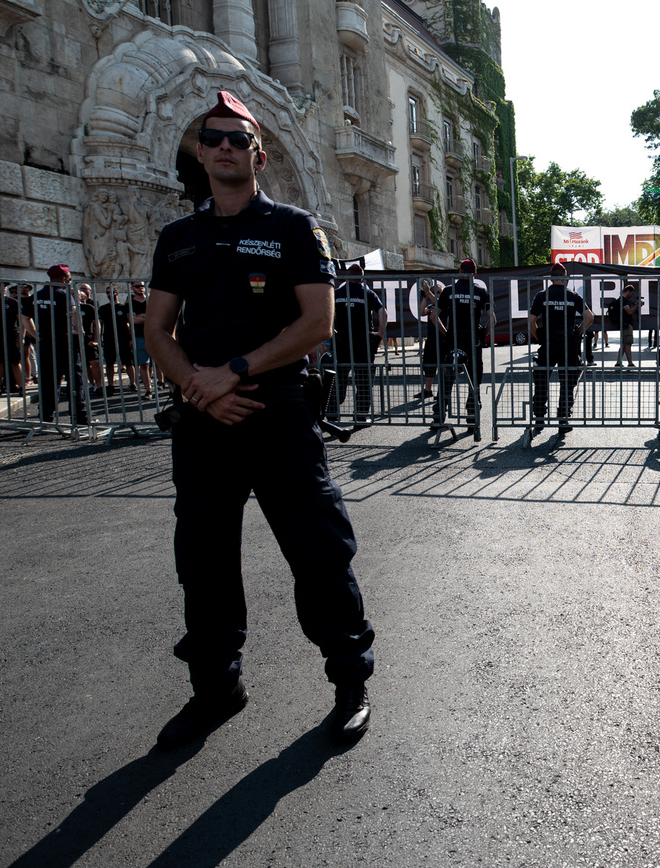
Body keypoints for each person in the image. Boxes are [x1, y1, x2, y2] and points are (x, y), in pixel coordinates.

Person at [145, 90, 374, 748]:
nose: (223, 146)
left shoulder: (294, 229)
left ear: (258, 155)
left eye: (236, 139)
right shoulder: (178, 239)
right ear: (199, 151)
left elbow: (317, 322)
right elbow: (158, 328)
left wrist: (235, 371)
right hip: (203, 417)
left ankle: (351, 682)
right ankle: (217, 688)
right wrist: (198, 386)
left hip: (276, 411)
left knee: (320, 553)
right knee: (204, 560)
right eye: (212, 137)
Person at [527, 262, 590, 435]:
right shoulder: (573, 295)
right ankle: (563, 418)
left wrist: (538, 335)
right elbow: (589, 318)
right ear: (565, 276)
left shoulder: (542, 295)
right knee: (567, 382)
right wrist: (577, 332)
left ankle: (539, 418)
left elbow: (531, 321)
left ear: (551, 277)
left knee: (541, 380)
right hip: (567, 344)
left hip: (547, 343)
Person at [432, 258, 493, 436]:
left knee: (447, 378)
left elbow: (433, 316)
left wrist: (446, 333)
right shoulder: (481, 291)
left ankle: (438, 416)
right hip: (473, 341)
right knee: (473, 380)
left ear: (459, 271)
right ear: (474, 274)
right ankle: (472, 418)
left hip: (453, 340)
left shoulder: (449, 291)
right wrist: (484, 333)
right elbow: (493, 319)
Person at [33, 264, 89, 425]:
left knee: (49, 381)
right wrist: (80, 331)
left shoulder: (38, 294)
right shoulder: (64, 294)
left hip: (45, 343)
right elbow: (74, 312)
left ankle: (46, 416)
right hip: (66, 343)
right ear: (64, 279)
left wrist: (35, 334)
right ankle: (79, 416)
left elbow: (24, 317)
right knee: (75, 380)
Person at [331, 263, 385, 423]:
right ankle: (361, 415)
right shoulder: (367, 293)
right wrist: (380, 333)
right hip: (363, 339)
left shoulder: (337, 292)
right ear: (362, 278)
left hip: (342, 339)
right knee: (364, 377)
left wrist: (331, 331)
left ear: (347, 276)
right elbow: (383, 312)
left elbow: (327, 312)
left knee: (340, 374)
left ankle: (332, 411)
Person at [98, 285, 136, 393]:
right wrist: (99, 338)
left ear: (117, 293)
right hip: (109, 338)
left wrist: (131, 339)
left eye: (113, 292)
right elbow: (100, 325)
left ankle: (132, 383)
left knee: (128, 362)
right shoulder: (103, 309)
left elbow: (129, 324)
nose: (110, 294)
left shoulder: (123, 307)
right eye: (108, 293)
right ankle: (110, 385)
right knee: (109, 362)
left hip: (123, 337)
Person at [128, 281, 154, 398]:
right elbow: (132, 320)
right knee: (143, 365)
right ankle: (148, 390)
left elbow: (156, 318)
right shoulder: (130, 303)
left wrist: (141, 317)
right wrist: (147, 317)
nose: (140, 288)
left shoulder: (151, 301)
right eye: (137, 286)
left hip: (154, 336)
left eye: (142, 286)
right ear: (132, 288)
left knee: (162, 364)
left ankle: (170, 389)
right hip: (139, 337)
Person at [415, 281, 439, 400]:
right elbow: (421, 312)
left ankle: (442, 392)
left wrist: (429, 292)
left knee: (445, 367)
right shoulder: (430, 306)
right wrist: (425, 297)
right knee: (429, 365)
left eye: (438, 292)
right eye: (434, 292)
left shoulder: (445, 304)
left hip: (443, 339)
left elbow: (439, 302)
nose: (435, 294)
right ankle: (427, 390)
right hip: (431, 340)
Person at [78, 284, 103, 396]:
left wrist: (96, 340)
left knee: (95, 362)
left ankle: (99, 385)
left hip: (89, 338)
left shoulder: (89, 308)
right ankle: (91, 383)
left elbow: (97, 324)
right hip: (77, 339)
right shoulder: (71, 308)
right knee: (85, 363)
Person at [615, 282, 640, 367]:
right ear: (628, 291)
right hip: (626, 325)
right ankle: (630, 363)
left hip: (623, 324)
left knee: (623, 344)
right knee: (627, 344)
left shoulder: (620, 300)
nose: (631, 296)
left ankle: (619, 362)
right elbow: (629, 312)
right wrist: (637, 306)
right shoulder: (623, 300)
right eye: (631, 293)